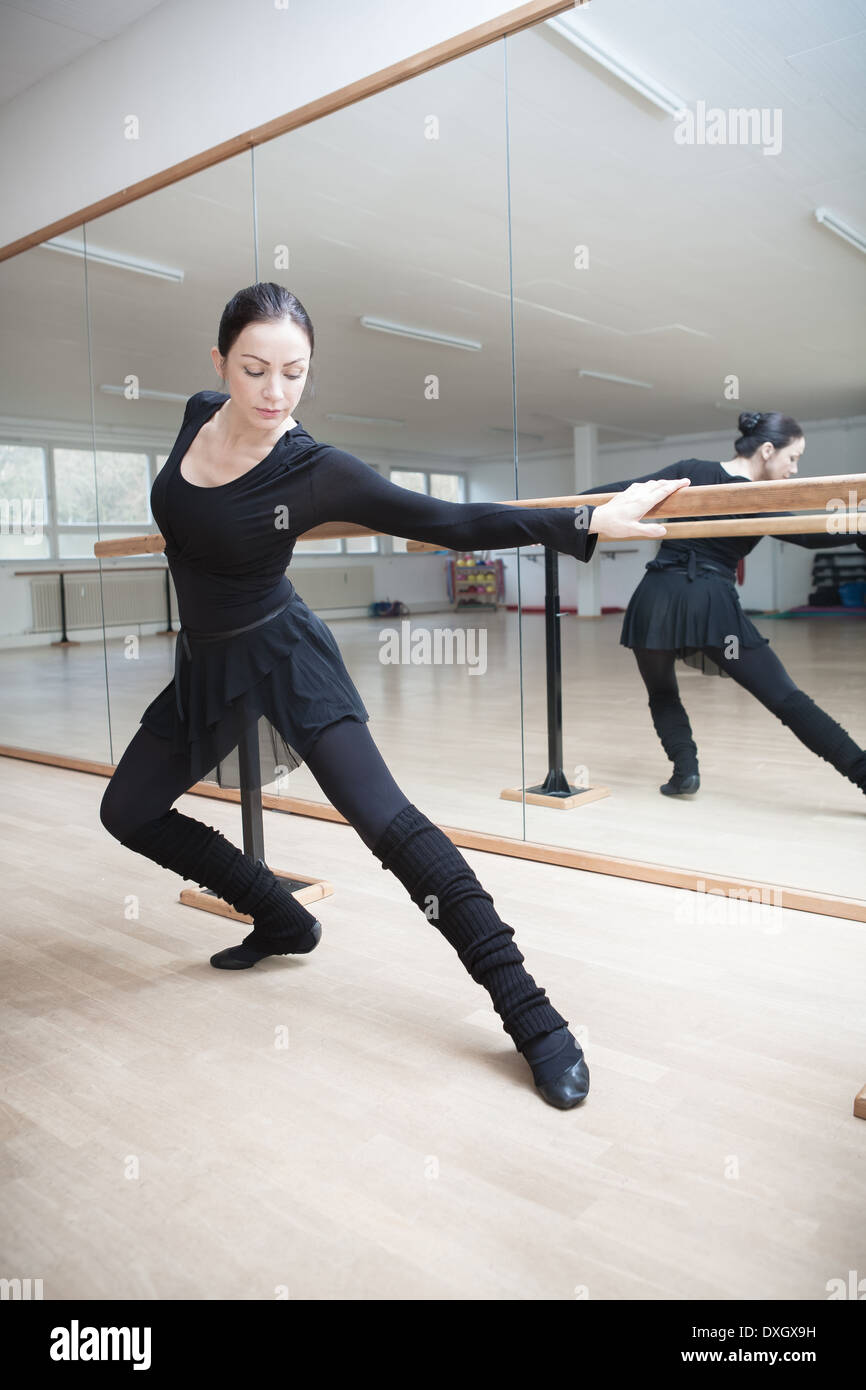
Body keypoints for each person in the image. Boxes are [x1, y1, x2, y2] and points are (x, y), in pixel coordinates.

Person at [99, 281, 684, 1110]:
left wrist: (584, 523)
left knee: (389, 824)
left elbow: (450, 520)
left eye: (295, 373)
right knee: (127, 810)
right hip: (208, 664)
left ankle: (534, 1017)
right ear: (220, 362)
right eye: (255, 369)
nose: (274, 393)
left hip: (284, 655)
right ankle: (280, 917)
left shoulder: (314, 470)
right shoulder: (197, 414)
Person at [581, 411, 866, 797]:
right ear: (768, 450)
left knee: (662, 692)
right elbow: (808, 535)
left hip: (655, 597)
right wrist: (858, 526)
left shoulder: (690, 471)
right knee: (785, 697)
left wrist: (566, 513)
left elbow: (625, 492)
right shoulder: (759, 496)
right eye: (793, 457)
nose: (795, 469)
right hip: (709, 599)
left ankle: (685, 771)